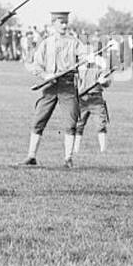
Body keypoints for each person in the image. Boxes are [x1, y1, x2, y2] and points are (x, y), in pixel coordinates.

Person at [24, 10, 90, 167]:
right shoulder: (46, 43)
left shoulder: (74, 42)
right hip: (49, 86)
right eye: (61, 22)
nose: (64, 25)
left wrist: (83, 68)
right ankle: (31, 156)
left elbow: (84, 61)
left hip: (67, 86)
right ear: (53, 24)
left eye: (66, 22)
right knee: (38, 120)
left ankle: (68, 159)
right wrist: (45, 75)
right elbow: (35, 65)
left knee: (70, 122)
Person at [74, 47, 112, 155]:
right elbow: (74, 84)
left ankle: (103, 150)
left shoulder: (99, 67)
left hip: (96, 99)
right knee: (78, 125)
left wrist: (103, 81)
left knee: (101, 125)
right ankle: (75, 150)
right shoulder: (78, 68)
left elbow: (107, 82)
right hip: (82, 99)